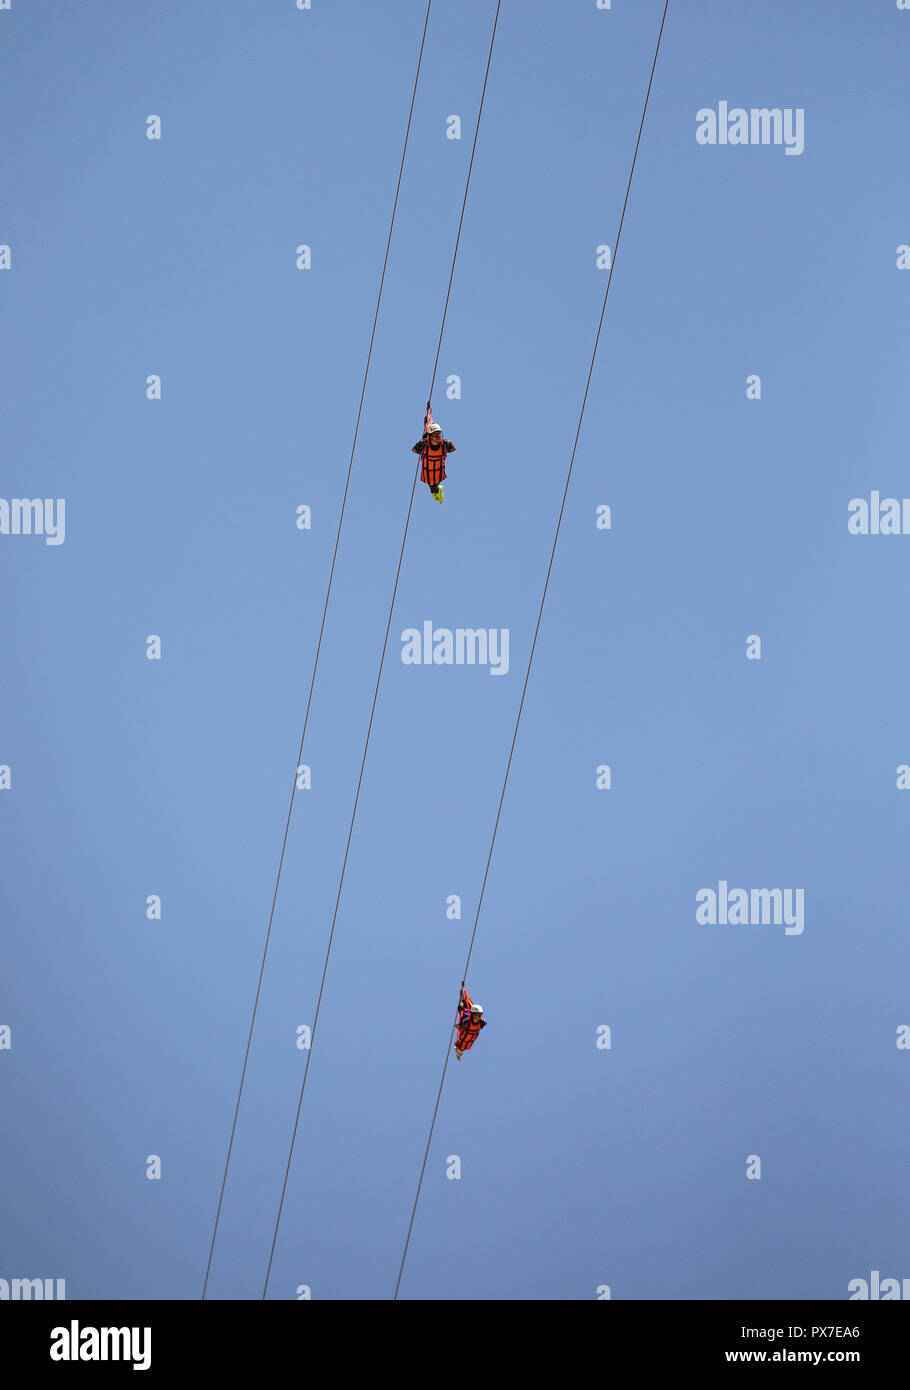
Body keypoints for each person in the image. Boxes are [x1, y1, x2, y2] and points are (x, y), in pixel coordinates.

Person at [412, 420, 455, 504]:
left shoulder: (445, 443)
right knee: (431, 485)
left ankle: (437, 492)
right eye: (435, 434)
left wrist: (444, 452)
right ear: (430, 435)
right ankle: (437, 492)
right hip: (427, 469)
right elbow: (414, 449)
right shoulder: (424, 443)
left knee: (433, 485)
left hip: (438, 470)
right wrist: (422, 452)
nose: (437, 436)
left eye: (439, 434)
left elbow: (453, 448)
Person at [454, 985, 486, 1060]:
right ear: (473, 1014)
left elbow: (484, 1023)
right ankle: (462, 999)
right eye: (477, 1015)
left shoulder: (481, 1022)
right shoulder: (468, 1020)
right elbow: (462, 1024)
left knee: (466, 1044)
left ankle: (463, 1000)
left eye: (480, 1015)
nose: (478, 1017)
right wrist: (459, 1026)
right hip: (466, 1033)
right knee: (464, 1043)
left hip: (469, 1036)